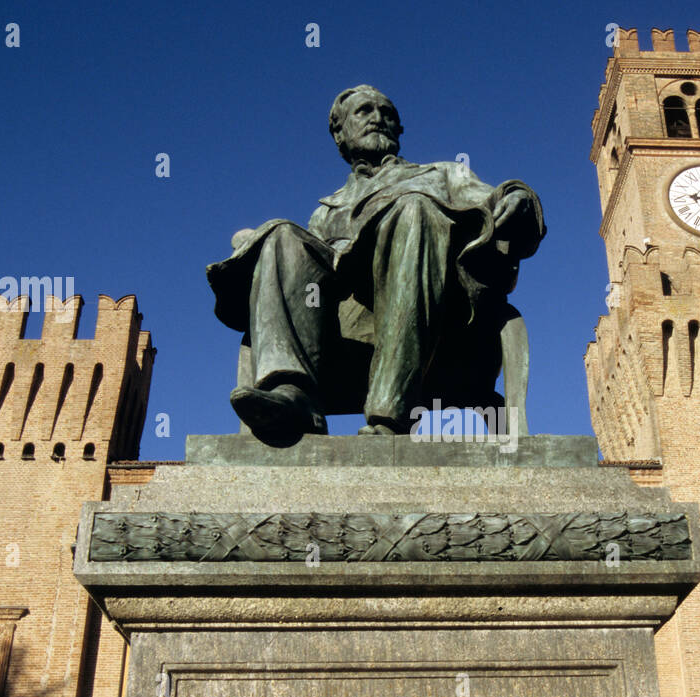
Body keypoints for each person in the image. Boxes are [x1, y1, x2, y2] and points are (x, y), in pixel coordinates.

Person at [207, 85, 545, 442]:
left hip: (440, 320)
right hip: (347, 329)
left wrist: (519, 197)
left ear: (399, 132)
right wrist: (259, 246)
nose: (377, 118)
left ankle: (390, 410)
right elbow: (311, 277)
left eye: (387, 113)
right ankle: (294, 394)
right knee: (279, 234)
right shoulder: (326, 210)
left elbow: (499, 197)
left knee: (414, 208)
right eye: (364, 111)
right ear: (340, 133)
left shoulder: (442, 174)